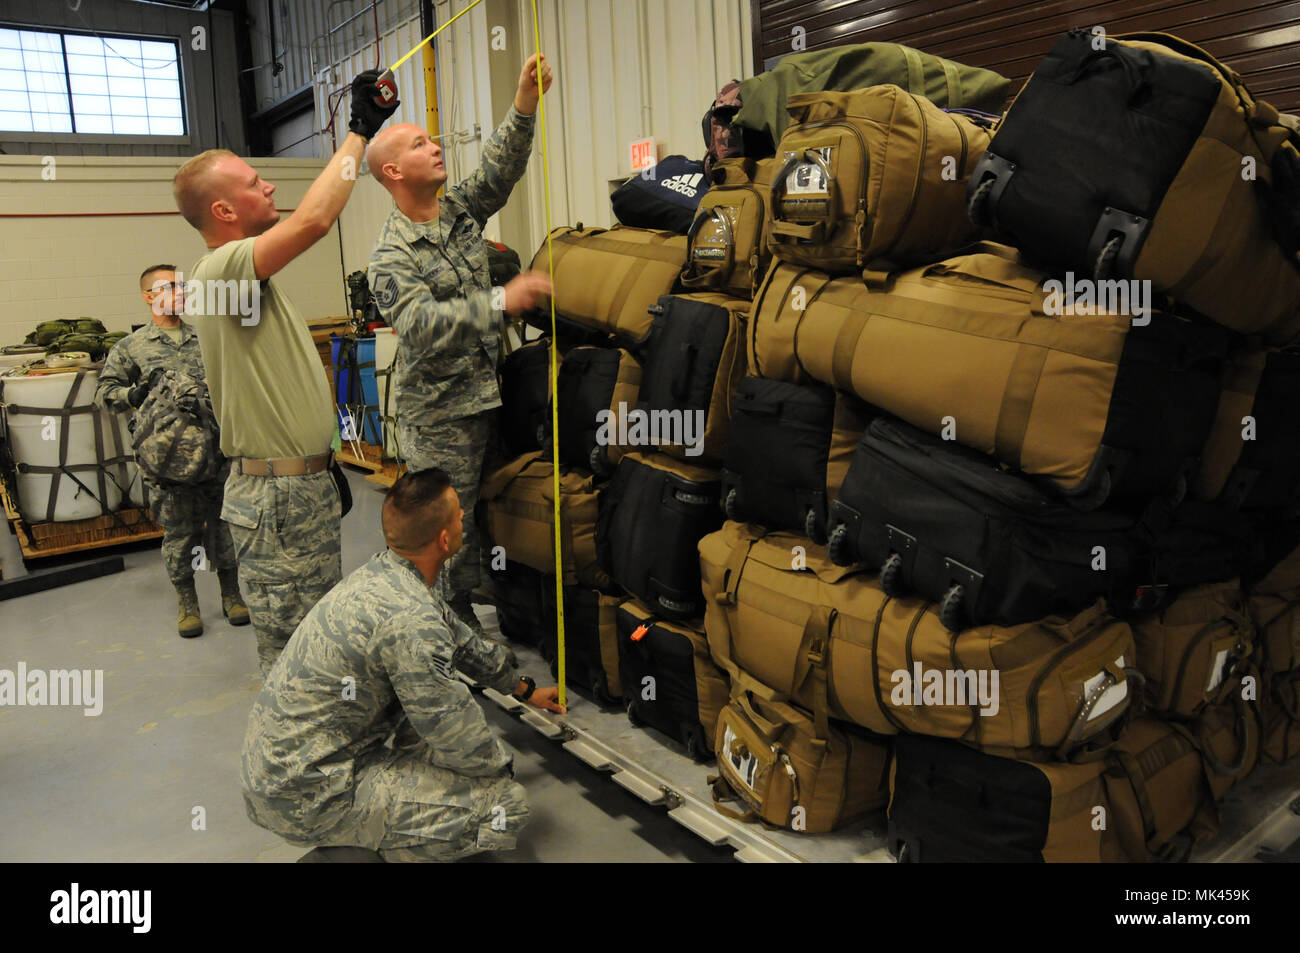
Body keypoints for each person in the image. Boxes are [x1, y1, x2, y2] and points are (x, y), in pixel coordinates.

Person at [170, 71, 399, 676]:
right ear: (223, 210)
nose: (269, 184)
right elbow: (314, 223)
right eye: (253, 182)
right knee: (299, 657)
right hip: (277, 498)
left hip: (298, 488)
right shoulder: (216, 271)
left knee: (317, 643)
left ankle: (320, 756)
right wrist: (359, 134)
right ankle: (296, 766)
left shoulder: (241, 283)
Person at [240, 466, 564, 862]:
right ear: (445, 540)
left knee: (425, 735)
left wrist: (524, 689)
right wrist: (497, 772)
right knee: (503, 806)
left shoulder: (388, 575)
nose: (464, 517)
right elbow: (453, 728)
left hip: (289, 766)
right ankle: (357, 853)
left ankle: (381, 824)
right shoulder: (411, 619)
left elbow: (465, 645)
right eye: (459, 513)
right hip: (306, 793)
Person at [366, 53, 554, 634]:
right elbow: (420, 322)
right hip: (441, 415)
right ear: (394, 172)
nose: (436, 146)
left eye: (433, 140)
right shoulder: (390, 255)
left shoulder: (457, 212)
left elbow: (500, 169)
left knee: (489, 514)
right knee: (445, 531)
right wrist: (503, 300)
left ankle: (489, 606)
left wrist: (524, 103)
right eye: (420, 144)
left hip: (488, 395)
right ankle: (447, 635)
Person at [95, 264, 247, 638]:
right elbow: (104, 394)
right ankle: (188, 604)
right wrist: (132, 394)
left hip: (216, 456)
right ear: (149, 296)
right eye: (171, 286)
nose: (181, 290)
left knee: (226, 527)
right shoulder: (131, 347)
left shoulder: (206, 339)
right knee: (181, 534)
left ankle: (232, 596)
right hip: (167, 463)